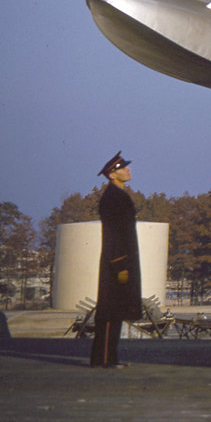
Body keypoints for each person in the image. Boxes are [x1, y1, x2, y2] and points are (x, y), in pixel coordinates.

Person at [90, 152, 141, 368]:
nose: (128, 170)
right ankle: (103, 360)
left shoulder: (119, 196)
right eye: (123, 168)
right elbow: (114, 234)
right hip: (116, 264)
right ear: (112, 175)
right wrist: (120, 264)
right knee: (110, 313)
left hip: (122, 262)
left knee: (116, 311)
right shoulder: (112, 198)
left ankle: (110, 359)